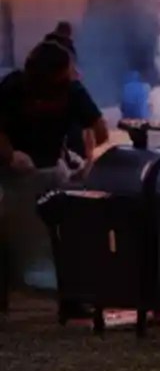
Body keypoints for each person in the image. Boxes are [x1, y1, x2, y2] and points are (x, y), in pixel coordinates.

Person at [0, 40, 108, 302]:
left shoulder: (72, 91)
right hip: (11, 174)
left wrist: (86, 159)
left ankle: (64, 287)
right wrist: (10, 155)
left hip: (51, 169)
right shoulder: (14, 87)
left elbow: (99, 129)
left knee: (57, 230)